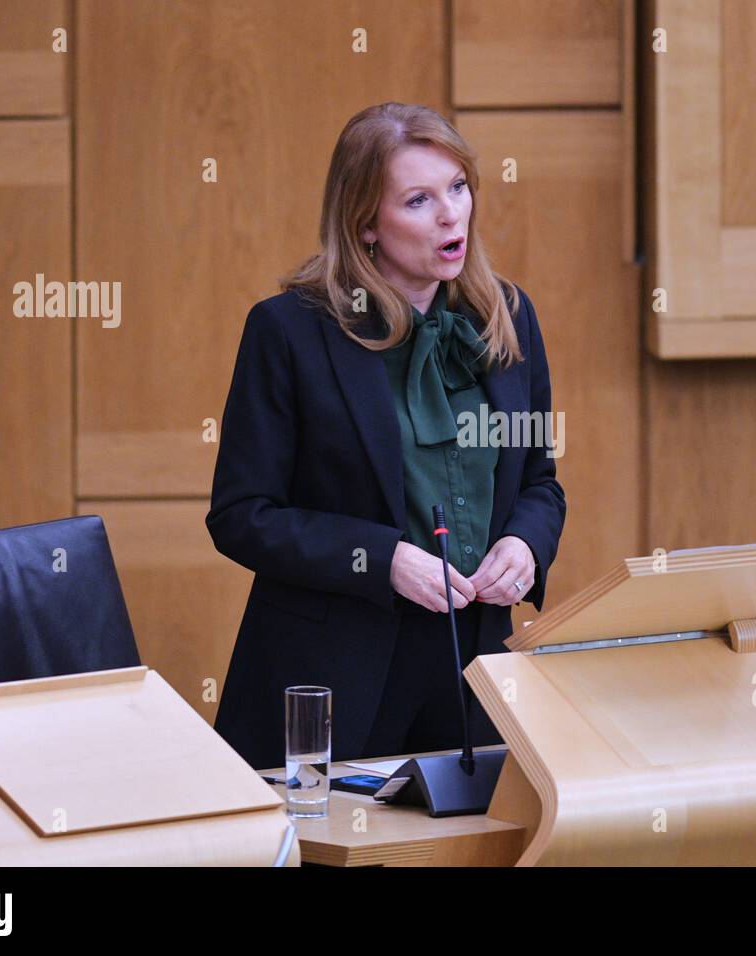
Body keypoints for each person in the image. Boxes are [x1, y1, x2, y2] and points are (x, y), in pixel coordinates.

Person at [206, 102, 566, 769]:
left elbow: (540, 482)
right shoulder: (289, 333)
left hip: (476, 671)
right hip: (336, 674)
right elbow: (241, 516)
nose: (451, 213)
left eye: (458, 188)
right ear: (366, 224)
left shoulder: (509, 317)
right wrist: (383, 559)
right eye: (419, 200)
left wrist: (525, 542)